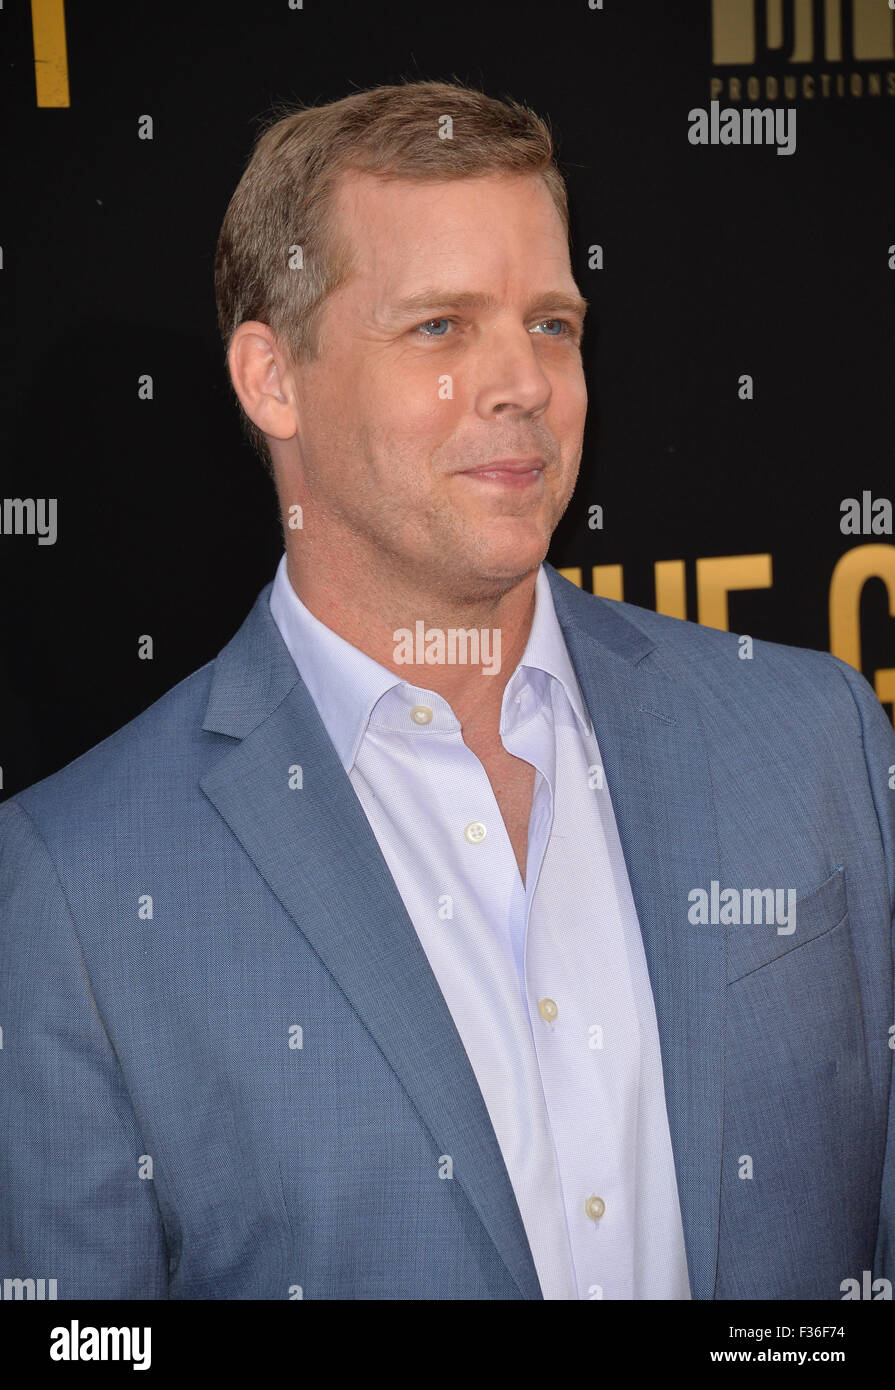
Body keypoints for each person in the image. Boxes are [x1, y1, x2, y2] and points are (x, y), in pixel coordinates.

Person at [1, 79, 892, 1301]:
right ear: (272, 380)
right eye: (438, 327)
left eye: (551, 324)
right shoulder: (76, 888)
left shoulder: (810, 738)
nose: (522, 381)